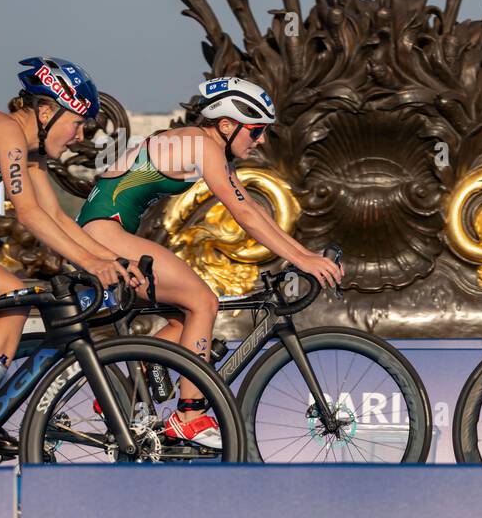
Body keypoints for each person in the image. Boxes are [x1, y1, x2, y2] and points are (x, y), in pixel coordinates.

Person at [76, 76, 343, 447]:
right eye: (256, 131)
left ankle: (127, 392)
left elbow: (251, 207)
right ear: (227, 125)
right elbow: (243, 214)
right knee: (204, 301)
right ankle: (190, 415)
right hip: (105, 237)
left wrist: (303, 254)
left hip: (102, 235)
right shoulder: (203, 146)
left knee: (185, 317)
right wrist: (303, 259)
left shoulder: (199, 143)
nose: (262, 140)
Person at [0, 56, 142, 426]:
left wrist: (114, 260)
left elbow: (56, 217)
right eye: (77, 123)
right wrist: (91, 263)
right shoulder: (4, 130)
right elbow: (29, 214)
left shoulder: (27, 151)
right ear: (47, 110)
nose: (80, 137)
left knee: (13, 296)